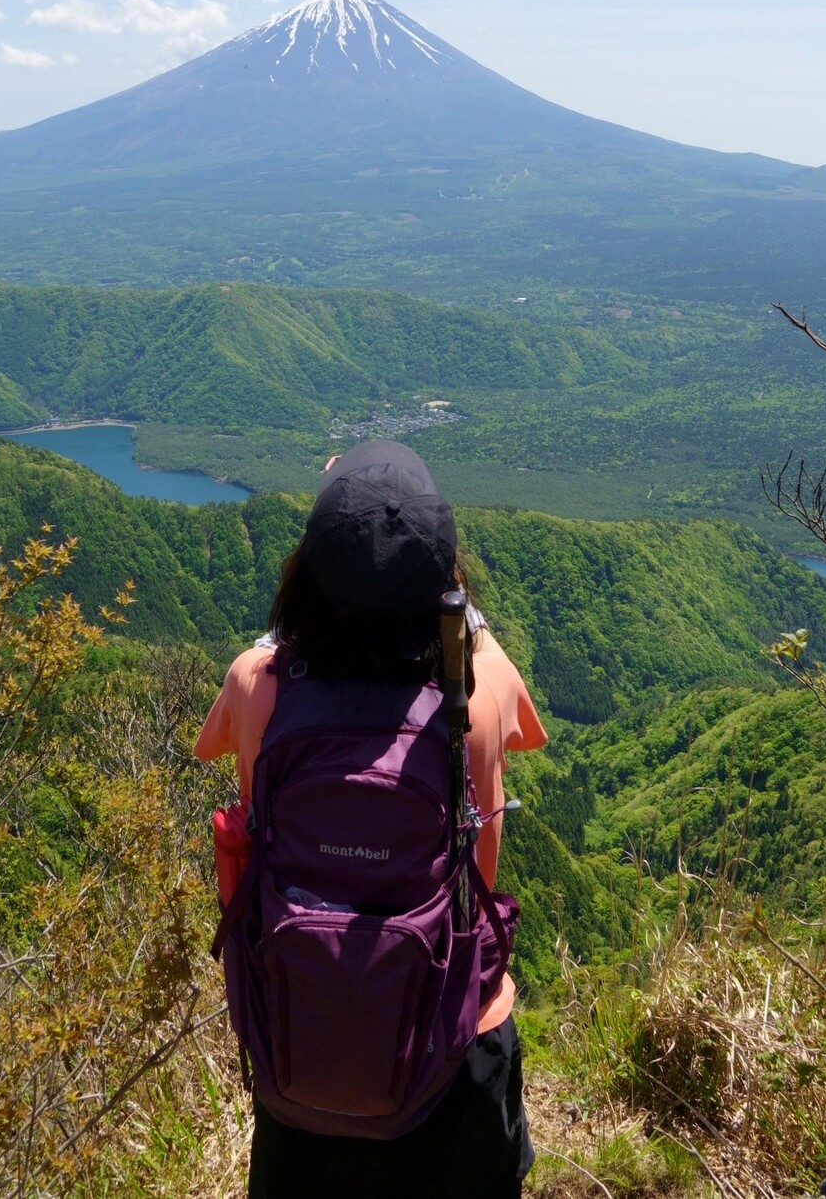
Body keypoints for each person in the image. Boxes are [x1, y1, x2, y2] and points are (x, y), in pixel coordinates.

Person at [195, 441, 547, 1199]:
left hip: (305, 1043)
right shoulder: (481, 690)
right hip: (454, 1042)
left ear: (307, 568)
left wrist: (343, 518)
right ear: (445, 575)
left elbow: (223, 757)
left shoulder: (257, 686)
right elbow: (515, 720)